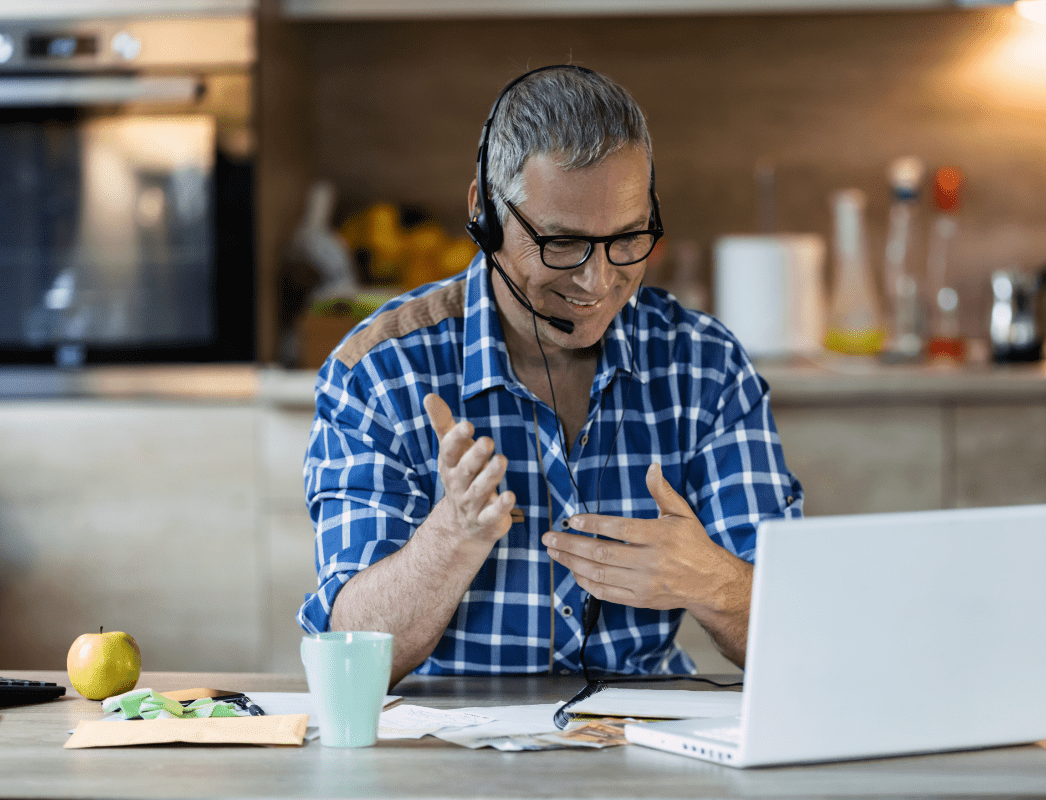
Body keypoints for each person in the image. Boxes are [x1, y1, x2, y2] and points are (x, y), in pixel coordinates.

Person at [299, 65, 803, 685]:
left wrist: (716, 584)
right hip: (450, 758)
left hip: (642, 747)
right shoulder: (378, 372)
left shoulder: (705, 366)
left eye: (627, 238)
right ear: (485, 212)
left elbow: (798, 638)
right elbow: (347, 658)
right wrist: (451, 536)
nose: (597, 282)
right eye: (562, 243)